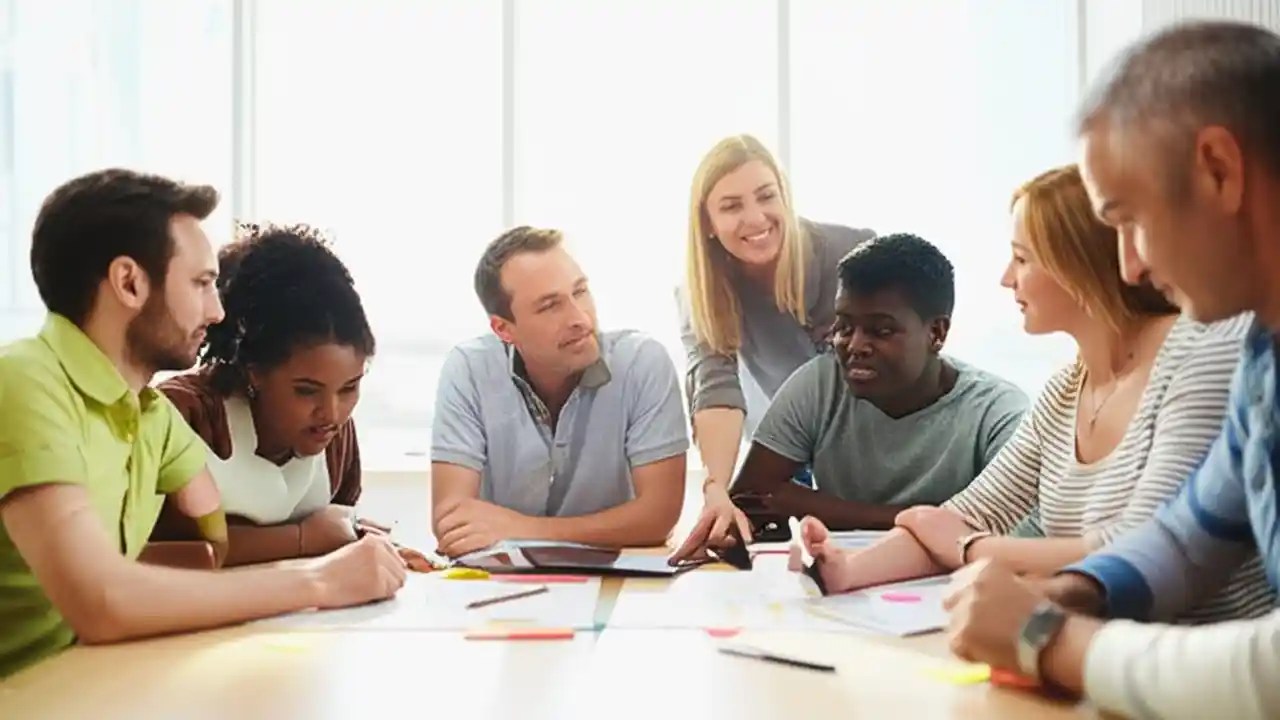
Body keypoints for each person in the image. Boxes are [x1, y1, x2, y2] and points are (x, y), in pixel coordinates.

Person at [942, 21, 1280, 720]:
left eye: (1129, 221)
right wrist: (1078, 591)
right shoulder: (1262, 355)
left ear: (1219, 169)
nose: (1129, 266)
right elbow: (1192, 534)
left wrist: (1047, 638)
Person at [794, 164, 1272, 622]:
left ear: (1078, 262)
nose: (1006, 277)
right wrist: (846, 569)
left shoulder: (1198, 348)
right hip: (1096, 652)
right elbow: (969, 513)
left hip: (1202, 668)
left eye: (1022, 258)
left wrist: (971, 549)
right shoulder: (1064, 391)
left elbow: (1141, 544)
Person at [0, 169, 406, 679]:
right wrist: (319, 579)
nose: (217, 313)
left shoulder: (149, 417)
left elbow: (206, 554)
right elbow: (102, 600)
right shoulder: (22, 381)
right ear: (129, 282)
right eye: (201, 284)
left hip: (87, 681)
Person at [672, 233, 1027, 560]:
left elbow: (1008, 536)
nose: (854, 345)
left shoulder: (999, 414)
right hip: (840, 592)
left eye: (881, 330)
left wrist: (811, 504)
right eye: (843, 326)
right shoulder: (820, 383)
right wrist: (929, 520)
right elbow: (750, 499)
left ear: (936, 333)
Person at [150, 222, 429, 570]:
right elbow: (149, 552)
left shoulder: (338, 440)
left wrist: (366, 545)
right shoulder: (185, 416)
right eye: (306, 391)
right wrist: (302, 539)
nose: (331, 413)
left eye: (349, 387)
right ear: (254, 370)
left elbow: (335, 533)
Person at [431, 226, 688, 557]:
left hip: (618, 584)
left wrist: (523, 530)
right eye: (550, 306)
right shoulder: (468, 369)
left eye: (580, 292)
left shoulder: (642, 363)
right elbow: (451, 522)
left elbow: (658, 516)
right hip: (500, 585)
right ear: (503, 329)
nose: (580, 318)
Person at [677, 134, 876, 552]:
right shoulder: (700, 292)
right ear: (708, 224)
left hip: (868, 436)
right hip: (788, 442)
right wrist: (716, 488)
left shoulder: (850, 255)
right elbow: (716, 390)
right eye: (731, 206)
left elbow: (853, 382)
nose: (755, 218)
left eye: (766, 196)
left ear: (784, 197)